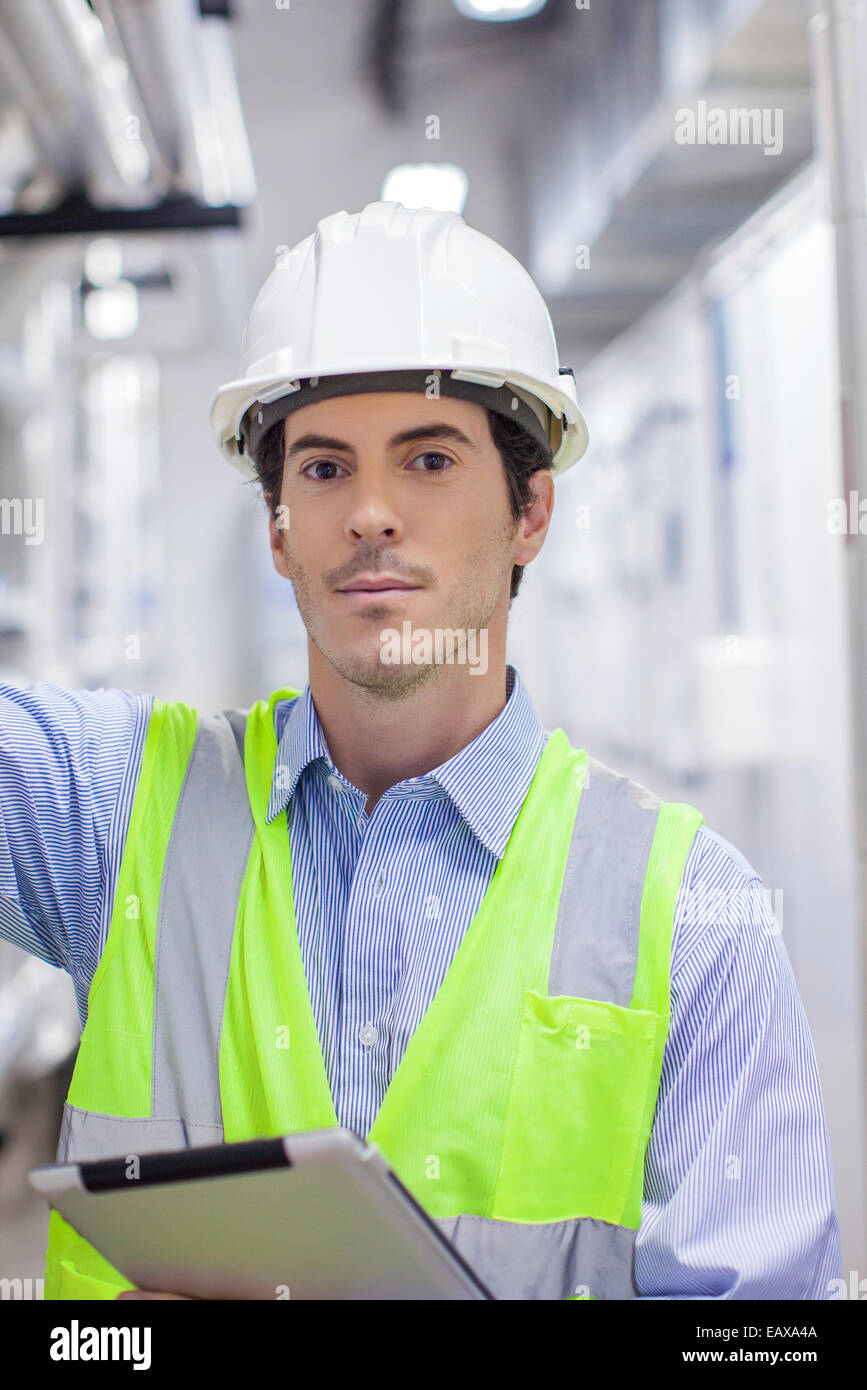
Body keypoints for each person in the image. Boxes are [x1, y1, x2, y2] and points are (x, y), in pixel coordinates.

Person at [0, 200, 840, 1300]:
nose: (372, 515)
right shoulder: (116, 813)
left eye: (431, 458)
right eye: (324, 469)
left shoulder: (689, 920)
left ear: (531, 508)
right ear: (278, 529)